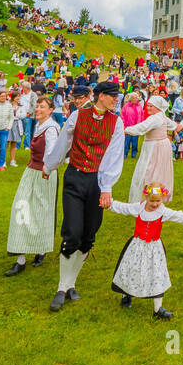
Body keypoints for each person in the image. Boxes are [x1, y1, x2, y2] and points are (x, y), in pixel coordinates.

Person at [41, 81, 126, 313]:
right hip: (75, 178)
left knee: (88, 236)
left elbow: (115, 155)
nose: (115, 100)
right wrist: (49, 165)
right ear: (99, 96)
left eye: (117, 96)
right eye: (112, 96)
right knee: (72, 233)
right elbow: (63, 143)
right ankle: (61, 287)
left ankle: (71, 284)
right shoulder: (77, 116)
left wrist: (107, 186)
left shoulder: (116, 123)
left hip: (97, 182)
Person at [106, 183, 183, 320]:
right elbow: (124, 208)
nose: (155, 204)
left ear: (163, 199)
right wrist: (109, 203)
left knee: (157, 275)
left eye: (158, 201)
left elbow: (181, 216)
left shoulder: (163, 212)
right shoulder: (139, 208)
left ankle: (157, 309)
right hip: (137, 247)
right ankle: (126, 295)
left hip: (154, 249)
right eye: (152, 201)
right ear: (146, 197)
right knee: (132, 270)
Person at [5, 97, 61, 275]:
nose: (38, 109)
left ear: (51, 110)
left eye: (42, 107)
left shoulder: (51, 128)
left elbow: (53, 152)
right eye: (37, 106)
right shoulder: (39, 126)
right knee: (20, 209)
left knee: (41, 212)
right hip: (31, 172)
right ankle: (20, 258)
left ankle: (41, 249)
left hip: (44, 174)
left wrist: (47, 168)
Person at [124, 94, 179, 203]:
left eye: (151, 106)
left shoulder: (155, 118)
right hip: (162, 145)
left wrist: (125, 130)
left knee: (148, 171)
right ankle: (157, 194)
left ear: (157, 107)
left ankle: (148, 196)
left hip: (154, 147)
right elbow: (173, 125)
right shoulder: (162, 116)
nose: (148, 108)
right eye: (148, 105)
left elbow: (142, 128)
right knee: (158, 171)